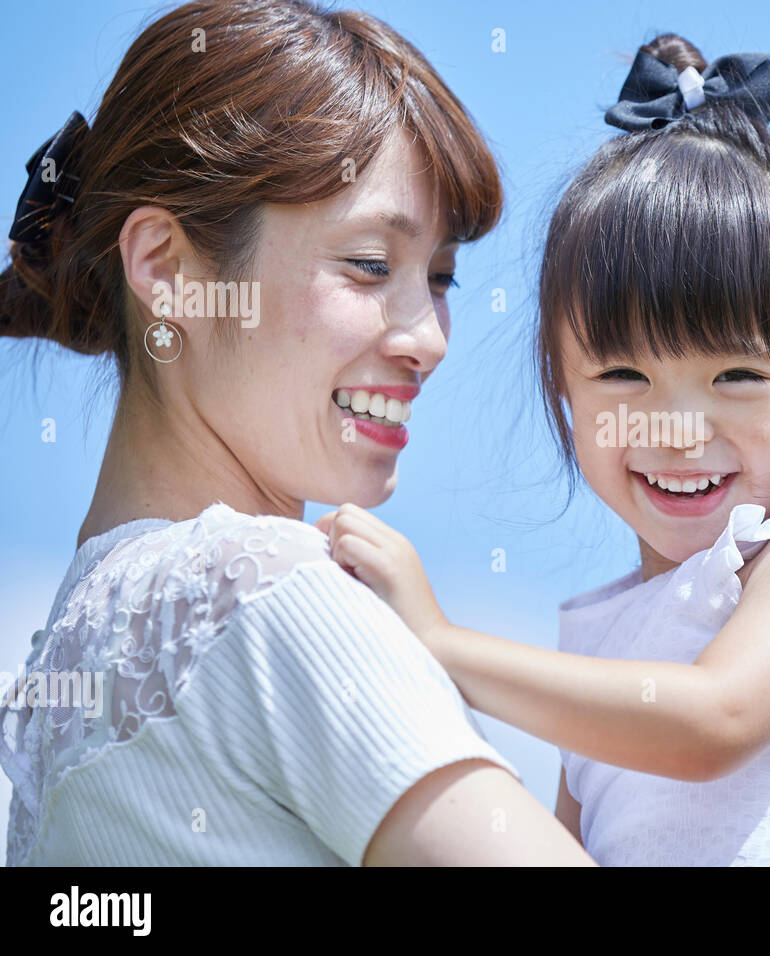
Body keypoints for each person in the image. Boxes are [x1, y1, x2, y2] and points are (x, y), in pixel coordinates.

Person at [315, 33, 770, 865]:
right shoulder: (599, 644)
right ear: (562, 384)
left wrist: (438, 645)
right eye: (623, 373)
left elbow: (715, 720)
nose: (678, 431)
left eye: (736, 375)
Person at [0, 0, 593, 866]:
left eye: (440, 279)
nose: (427, 338)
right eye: (368, 265)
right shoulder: (269, 595)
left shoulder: (64, 670)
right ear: (166, 269)